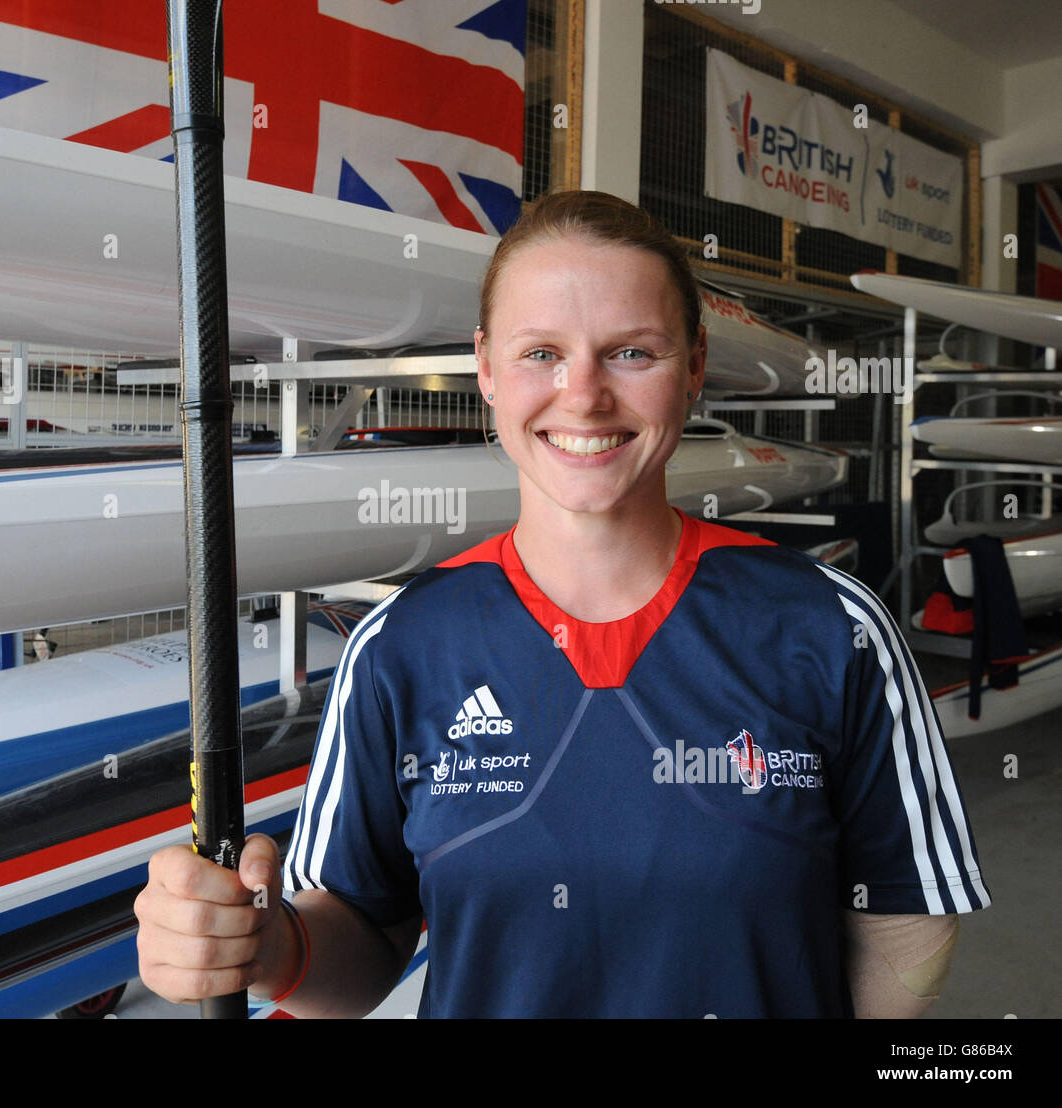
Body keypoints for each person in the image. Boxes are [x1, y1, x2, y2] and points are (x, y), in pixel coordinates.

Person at [135, 190, 989, 1018]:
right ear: (486, 371)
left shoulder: (828, 628)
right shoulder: (402, 646)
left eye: (632, 352)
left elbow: (905, 921)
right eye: (541, 352)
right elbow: (359, 938)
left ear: (693, 367)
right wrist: (261, 949)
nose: (583, 396)